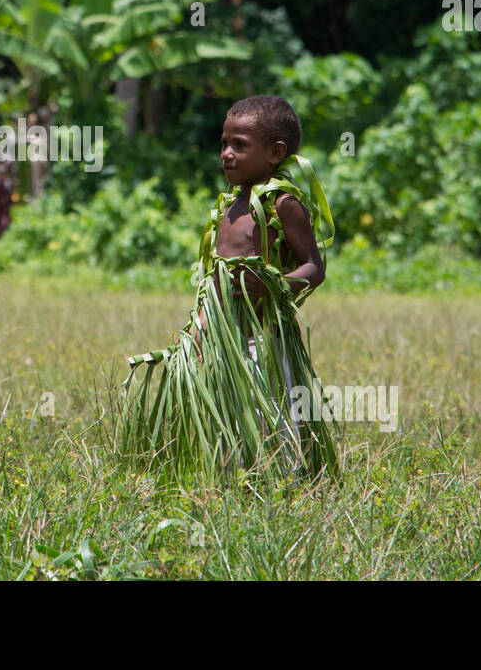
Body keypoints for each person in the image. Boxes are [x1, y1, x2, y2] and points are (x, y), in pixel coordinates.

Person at [120, 95, 339, 479]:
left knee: (271, 410)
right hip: (224, 335)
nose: (226, 154)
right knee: (227, 413)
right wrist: (201, 330)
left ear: (275, 152)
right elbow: (215, 283)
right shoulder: (228, 206)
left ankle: (285, 483)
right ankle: (235, 480)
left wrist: (273, 284)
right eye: (223, 143)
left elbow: (314, 268)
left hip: (265, 336)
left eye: (239, 145)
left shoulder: (282, 204)